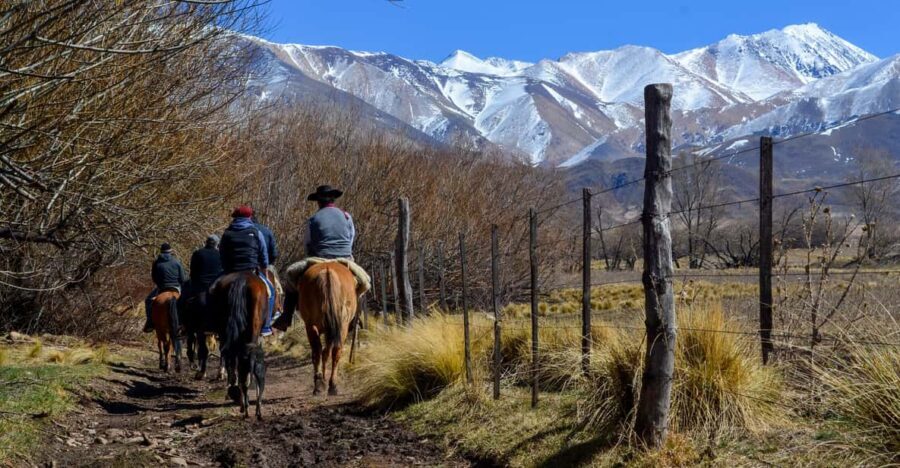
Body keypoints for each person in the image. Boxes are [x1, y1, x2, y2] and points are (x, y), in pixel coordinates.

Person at [219, 205, 276, 336]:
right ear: (249, 217)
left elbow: (221, 253)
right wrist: (265, 269)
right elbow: (263, 253)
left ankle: (215, 323)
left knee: (211, 291)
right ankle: (266, 325)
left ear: (236, 218)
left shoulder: (227, 233)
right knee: (271, 292)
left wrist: (225, 268)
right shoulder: (256, 232)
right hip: (251, 269)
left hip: (230, 271)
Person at [143, 243, 187, 333]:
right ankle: (185, 323)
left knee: (148, 301)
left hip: (162, 287)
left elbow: (154, 278)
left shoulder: (156, 262)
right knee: (186, 302)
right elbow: (182, 279)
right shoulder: (177, 262)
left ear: (161, 251)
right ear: (171, 251)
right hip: (176, 287)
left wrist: (160, 283)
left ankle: (150, 322)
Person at [304, 185, 355, 260]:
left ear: (318, 202)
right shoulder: (346, 216)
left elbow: (307, 243)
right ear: (333, 199)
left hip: (321, 256)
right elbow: (351, 238)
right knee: (359, 272)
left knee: (296, 270)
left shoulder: (313, 219)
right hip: (345, 256)